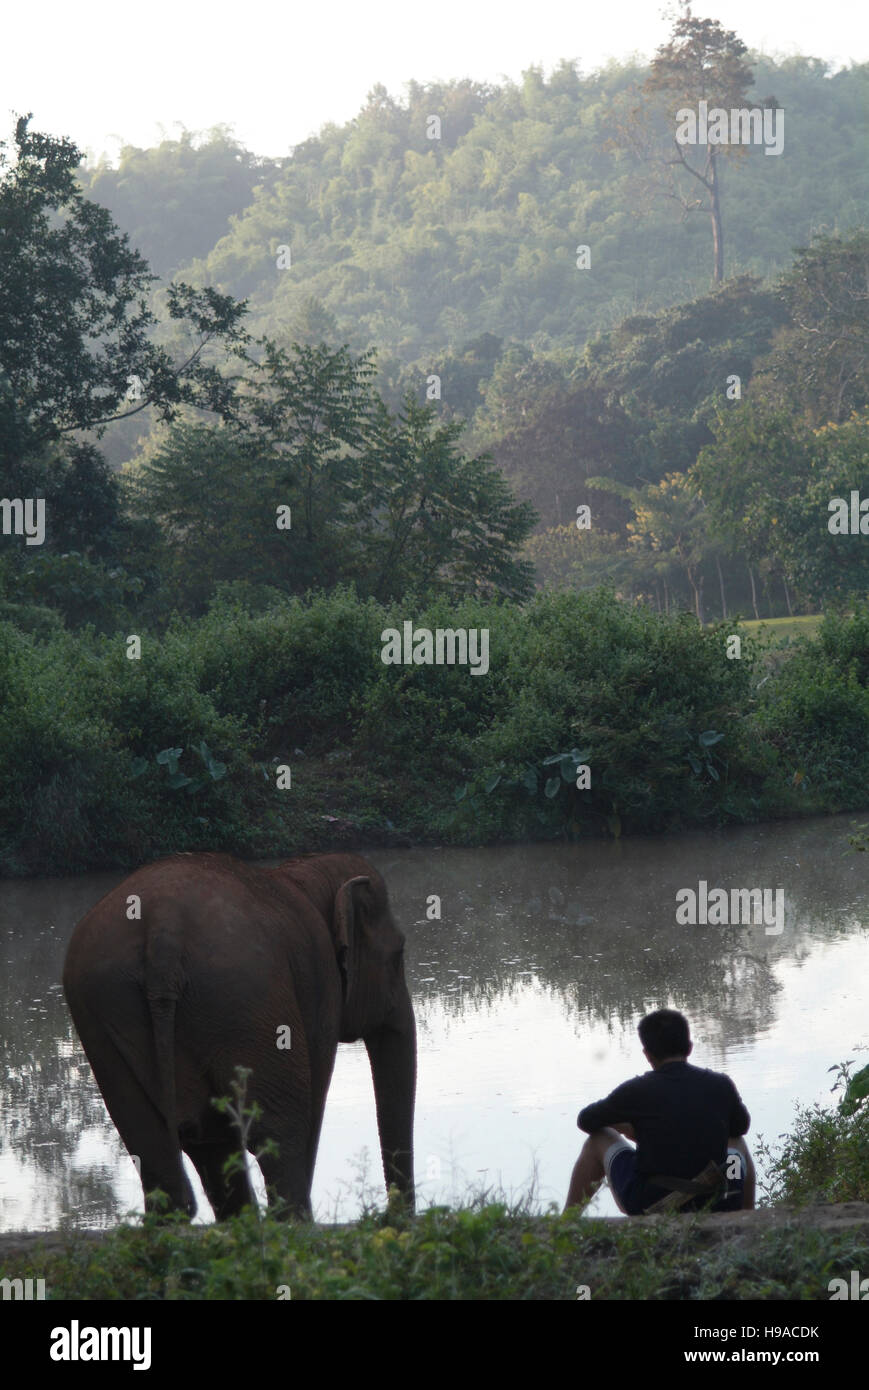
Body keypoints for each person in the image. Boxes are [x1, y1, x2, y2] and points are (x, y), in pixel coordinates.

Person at [564, 1008, 755, 1215]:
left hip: (651, 1202)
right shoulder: (721, 1085)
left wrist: (630, 1128)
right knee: (736, 1142)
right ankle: (745, 1216)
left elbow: (586, 1120)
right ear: (689, 1048)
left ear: (647, 1055)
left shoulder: (636, 1091)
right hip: (720, 1198)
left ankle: (565, 1222)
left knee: (598, 1139)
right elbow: (741, 1126)